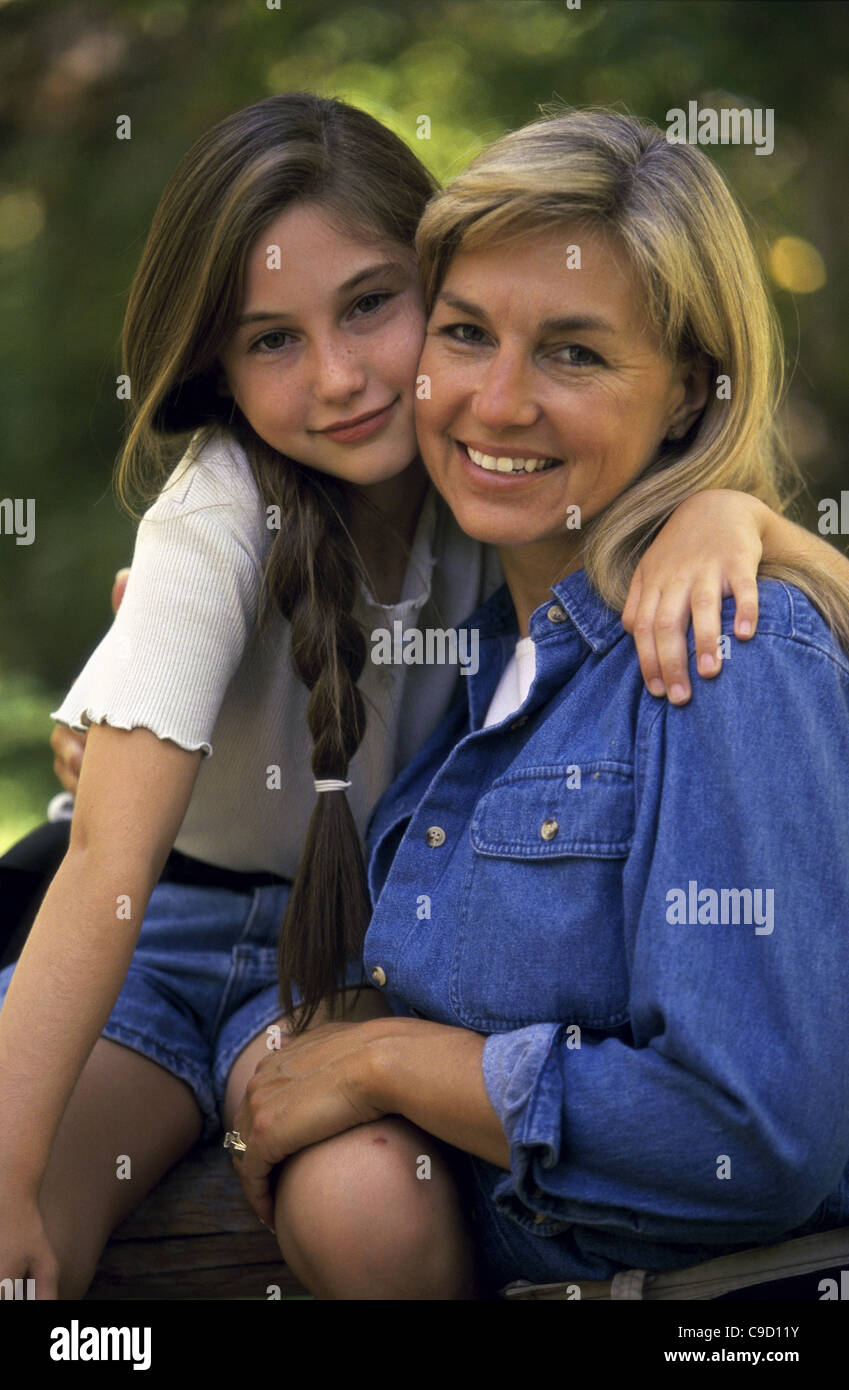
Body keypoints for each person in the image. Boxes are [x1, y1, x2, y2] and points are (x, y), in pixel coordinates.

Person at [0, 94, 844, 1301]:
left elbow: (754, 1132)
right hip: (159, 930)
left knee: (363, 1204)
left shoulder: (616, 572)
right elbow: (107, 866)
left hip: (342, 966)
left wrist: (737, 511)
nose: (346, 379)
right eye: (269, 339)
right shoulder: (270, 525)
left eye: (373, 309)